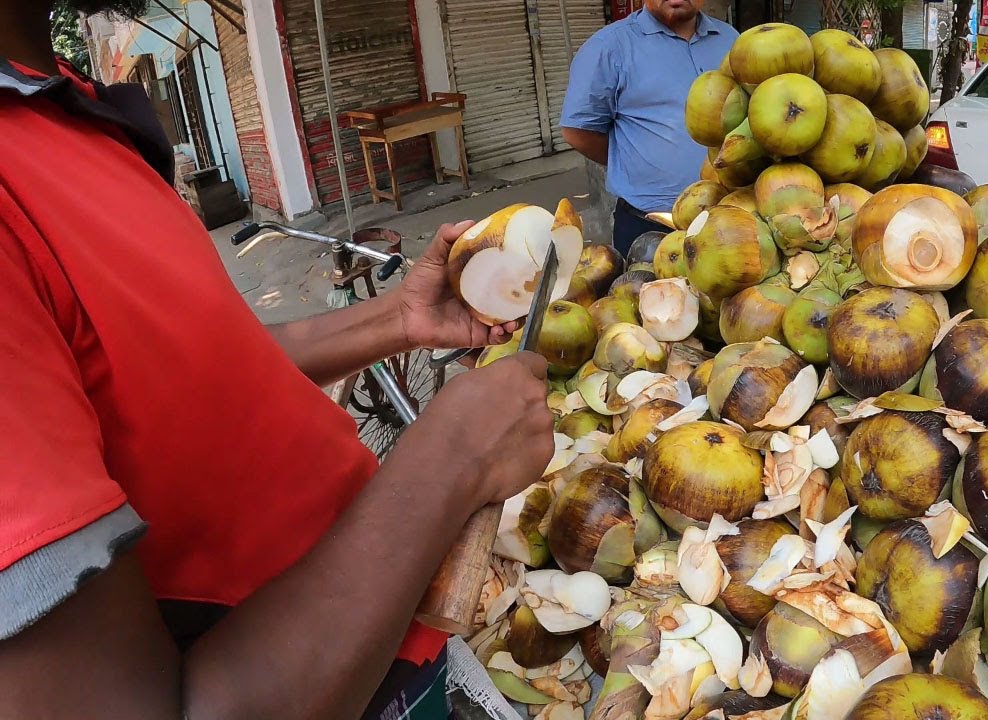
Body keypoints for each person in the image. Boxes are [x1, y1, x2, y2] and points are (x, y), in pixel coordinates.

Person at [0, 1, 555, 718]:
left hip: (388, 648)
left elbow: (190, 378)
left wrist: (398, 318)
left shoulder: (63, 106)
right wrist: (450, 458)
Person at [560, 0, 737, 256]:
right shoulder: (608, 47)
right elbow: (578, 132)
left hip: (727, 220)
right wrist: (633, 159)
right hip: (648, 226)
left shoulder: (730, 39)